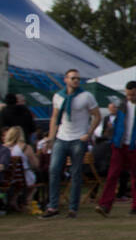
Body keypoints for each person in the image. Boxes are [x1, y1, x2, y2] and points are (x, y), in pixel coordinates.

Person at [42, 69, 100, 219]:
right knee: (54, 170)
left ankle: (73, 208)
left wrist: (89, 133)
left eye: (78, 79)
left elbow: (97, 116)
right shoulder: (59, 96)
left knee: (75, 173)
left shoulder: (86, 96)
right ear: (65, 79)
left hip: (78, 138)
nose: (76, 81)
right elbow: (55, 117)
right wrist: (51, 137)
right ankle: (53, 206)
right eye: (73, 78)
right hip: (62, 137)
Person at [94, 81, 136, 217]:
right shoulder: (122, 105)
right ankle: (105, 204)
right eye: (128, 94)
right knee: (112, 174)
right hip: (119, 145)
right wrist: (114, 139)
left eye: (132, 94)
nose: (130, 97)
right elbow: (117, 123)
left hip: (135, 145)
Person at [2, 126, 39, 210]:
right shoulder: (26, 147)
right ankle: (27, 200)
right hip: (23, 178)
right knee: (34, 184)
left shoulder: (3, 147)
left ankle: (13, 199)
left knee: (18, 183)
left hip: (6, 178)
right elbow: (35, 165)